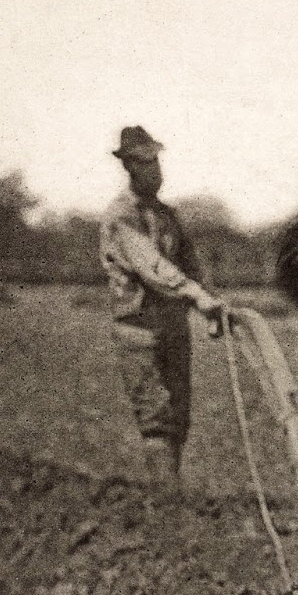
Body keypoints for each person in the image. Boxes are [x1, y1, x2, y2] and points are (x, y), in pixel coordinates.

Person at [99, 126, 226, 482]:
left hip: (174, 329)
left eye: (157, 161)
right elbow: (153, 266)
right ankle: (166, 508)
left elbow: (191, 263)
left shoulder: (168, 215)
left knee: (179, 419)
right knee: (158, 422)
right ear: (128, 167)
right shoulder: (122, 216)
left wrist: (211, 299)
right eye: (145, 163)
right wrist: (197, 296)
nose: (154, 170)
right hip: (140, 333)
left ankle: (172, 500)